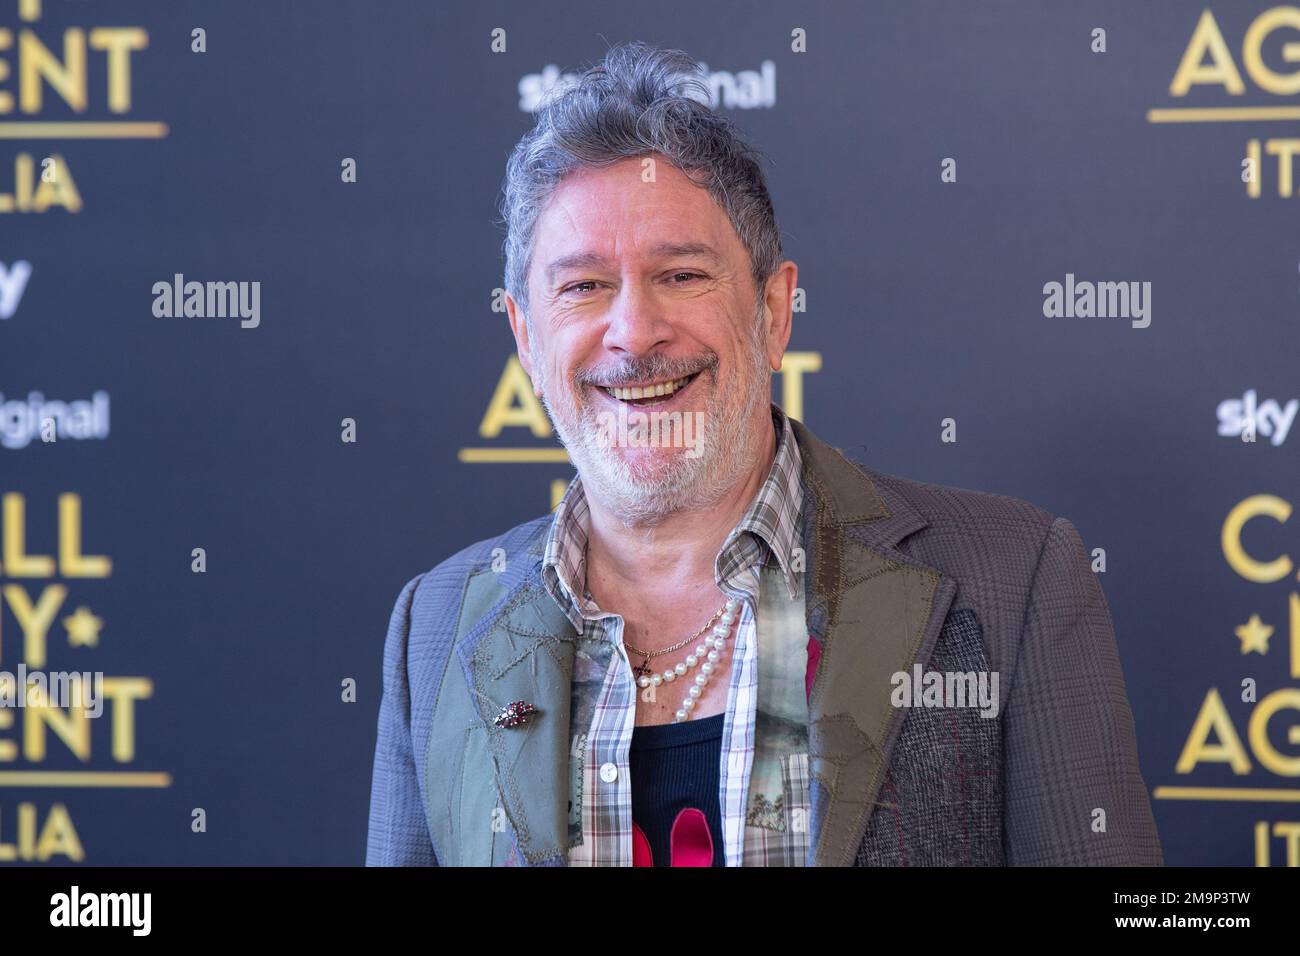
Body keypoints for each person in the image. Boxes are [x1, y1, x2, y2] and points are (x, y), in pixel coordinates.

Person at [365, 41, 1163, 867]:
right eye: (582, 286)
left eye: (682, 275)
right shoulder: (436, 628)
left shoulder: (1012, 580)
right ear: (526, 340)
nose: (634, 332)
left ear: (774, 312)